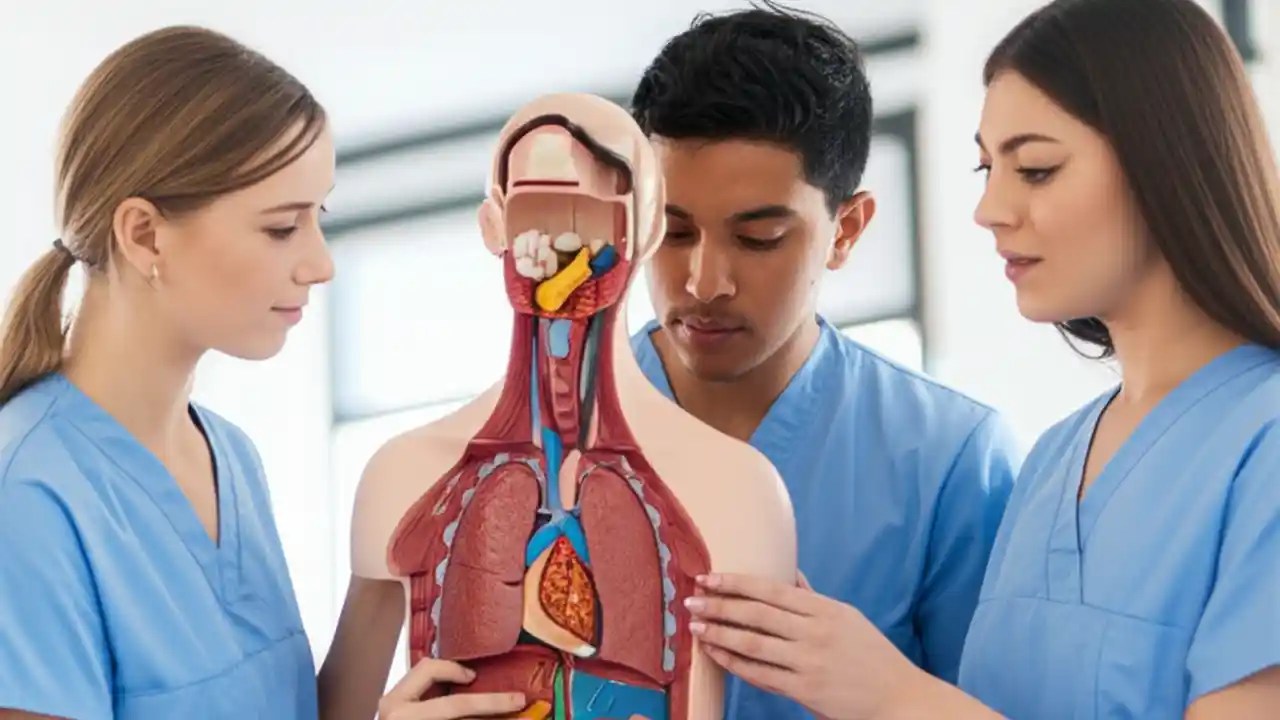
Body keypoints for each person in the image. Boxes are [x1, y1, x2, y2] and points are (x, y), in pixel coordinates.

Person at [678, 0, 1280, 718]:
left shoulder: (1262, 443)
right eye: (986, 167)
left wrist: (893, 694)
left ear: (1168, 159)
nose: (989, 208)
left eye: (1035, 169)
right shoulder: (1055, 460)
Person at [0, 26, 519, 720]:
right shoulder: (28, 498)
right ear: (145, 234)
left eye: (319, 216)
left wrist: (382, 572)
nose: (320, 263)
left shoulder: (229, 456)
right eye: (282, 227)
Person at [627, 4, 1023, 718]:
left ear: (847, 230)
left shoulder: (948, 462)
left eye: (760, 239)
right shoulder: (547, 429)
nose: (703, 282)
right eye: (673, 231)